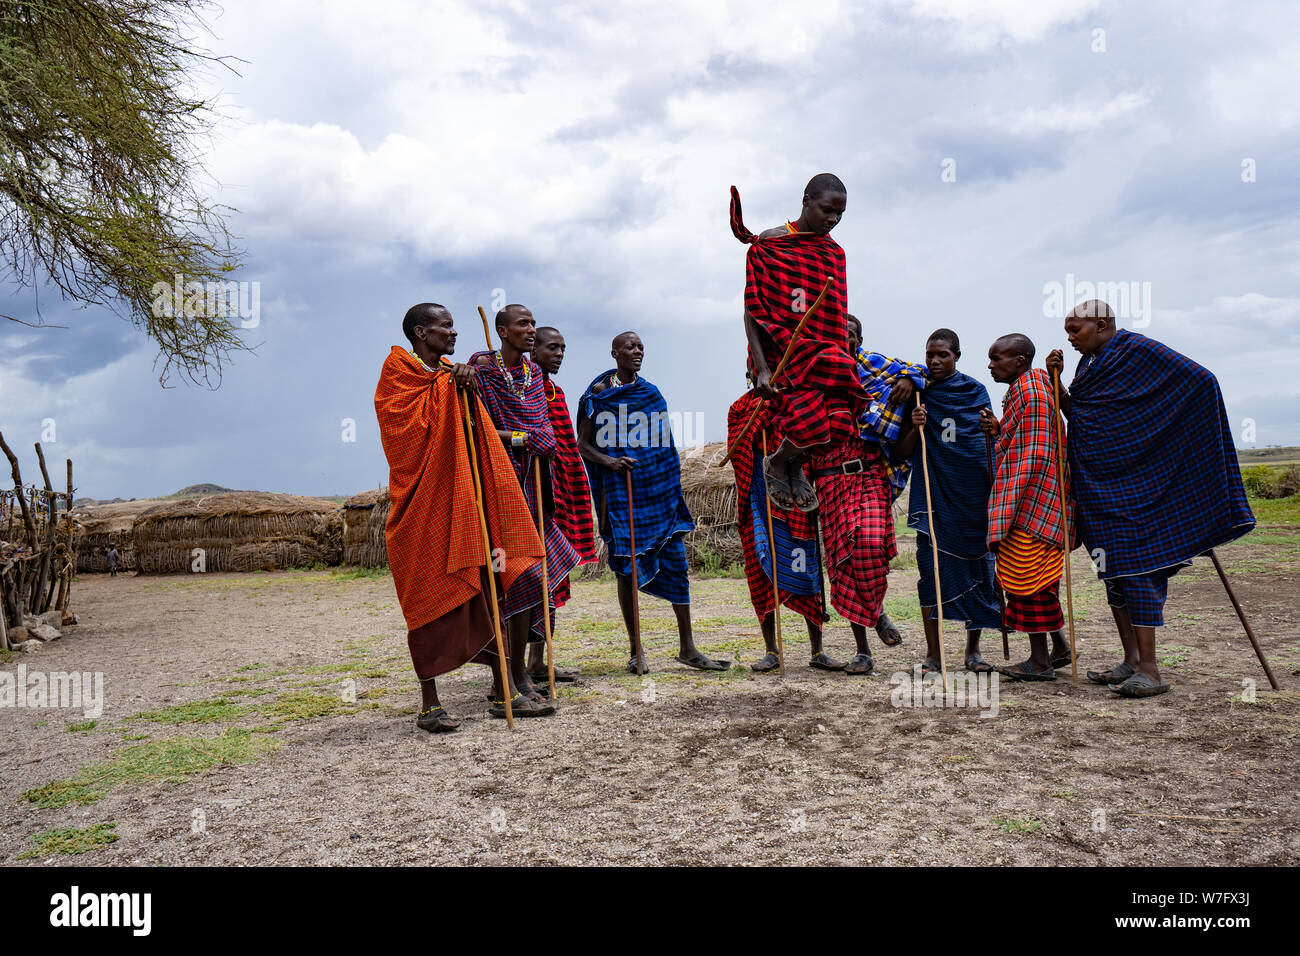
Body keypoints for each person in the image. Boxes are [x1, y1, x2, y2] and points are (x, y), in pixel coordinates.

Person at [1047, 300, 1255, 698]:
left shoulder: (1138, 350)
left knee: (1139, 571)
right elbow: (1083, 416)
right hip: (1099, 486)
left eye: (1076, 330)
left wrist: (1160, 441)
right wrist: (1057, 384)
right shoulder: (1088, 365)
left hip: (1139, 488)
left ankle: (1151, 670)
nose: (1070, 338)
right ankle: (1129, 661)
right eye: (1067, 331)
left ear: (1102, 323)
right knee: (1114, 575)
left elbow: (1202, 380)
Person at [375, 302, 553, 731]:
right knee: (429, 598)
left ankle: (504, 690)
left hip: (464, 505)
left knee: (484, 590)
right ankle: (430, 704)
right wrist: (446, 389)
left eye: (453, 326)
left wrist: (463, 391)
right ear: (421, 332)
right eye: (445, 327)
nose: (453, 334)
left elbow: (477, 432)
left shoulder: (454, 376)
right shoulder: (399, 375)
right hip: (422, 508)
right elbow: (402, 436)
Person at [577, 331, 729, 673]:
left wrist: (669, 483)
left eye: (641, 346)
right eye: (629, 347)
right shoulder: (598, 395)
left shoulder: (650, 394)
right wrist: (610, 462)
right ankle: (636, 651)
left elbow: (663, 446)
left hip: (659, 492)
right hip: (621, 492)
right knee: (627, 566)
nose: (637, 351)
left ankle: (688, 647)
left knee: (677, 562)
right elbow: (583, 444)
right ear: (614, 352)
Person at [731, 174, 866, 512]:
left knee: (839, 423)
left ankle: (790, 461)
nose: (833, 220)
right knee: (809, 423)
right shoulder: (771, 244)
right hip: (781, 356)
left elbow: (834, 316)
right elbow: (753, 310)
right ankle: (780, 464)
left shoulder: (834, 253)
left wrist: (842, 355)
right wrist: (761, 369)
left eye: (840, 214)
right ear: (806, 201)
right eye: (826, 210)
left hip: (826, 357)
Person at [469, 305, 582, 703]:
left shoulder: (534, 375)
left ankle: (519, 672)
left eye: (533, 323)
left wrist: (537, 440)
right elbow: (476, 427)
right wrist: (521, 440)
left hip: (535, 487)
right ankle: (506, 678)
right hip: (499, 485)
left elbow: (543, 428)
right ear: (502, 331)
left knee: (535, 578)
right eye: (523, 324)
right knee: (513, 580)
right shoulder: (481, 369)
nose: (530, 330)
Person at [893, 329, 1004, 675]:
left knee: (980, 571)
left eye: (943, 355)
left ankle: (973, 653)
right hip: (935, 498)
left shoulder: (975, 391)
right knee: (931, 575)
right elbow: (900, 453)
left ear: (957, 355)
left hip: (974, 494)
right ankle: (934, 655)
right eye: (930, 355)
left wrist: (994, 429)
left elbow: (986, 440)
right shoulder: (919, 393)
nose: (935, 361)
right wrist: (915, 427)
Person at [979, 334, 1074, 681]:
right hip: (1036, 501)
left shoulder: (1032, 392)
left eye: (996, 359)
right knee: (1038, 579)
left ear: (1019, 360)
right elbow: (1018, 441)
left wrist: (1008, 504)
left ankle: (1039, 662)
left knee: (1026, 579)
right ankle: (1060, 647)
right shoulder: (1025, 389)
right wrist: (999, 430)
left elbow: (1031, 457)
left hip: (1033, 503)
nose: (990, 365)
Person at [726, 381, 840, 673]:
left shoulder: (798, 402)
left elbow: (814, 438)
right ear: (751, 374)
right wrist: (764, 412)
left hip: (795, 492)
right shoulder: (741, 408)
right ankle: (771, 650)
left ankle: (817, 650)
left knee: (807, 567)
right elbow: (738, 450)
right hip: (758, 494)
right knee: (761, 565)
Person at [845, 312, 925, 666]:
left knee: (871, 545)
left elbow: (922, 370)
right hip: (831, 476)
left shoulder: (874, 365)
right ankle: (863, 648)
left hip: (873, 470)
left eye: (849, 333)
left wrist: (908, 377)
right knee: (842, 560)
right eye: (835, 330)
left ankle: (874, 609)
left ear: (859, 340)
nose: (842, 337)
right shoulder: (817, 372)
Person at [527, 325, 598, 685]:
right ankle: (515, 669)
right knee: (530, 579)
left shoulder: (555, 391)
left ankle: (538, 662)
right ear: (533, 349)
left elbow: (566, 446)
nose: (559, 354)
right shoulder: (524, 390)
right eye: (552, 347)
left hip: (560, 493)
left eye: (563, 348)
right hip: (531, 496)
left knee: (551, 582)